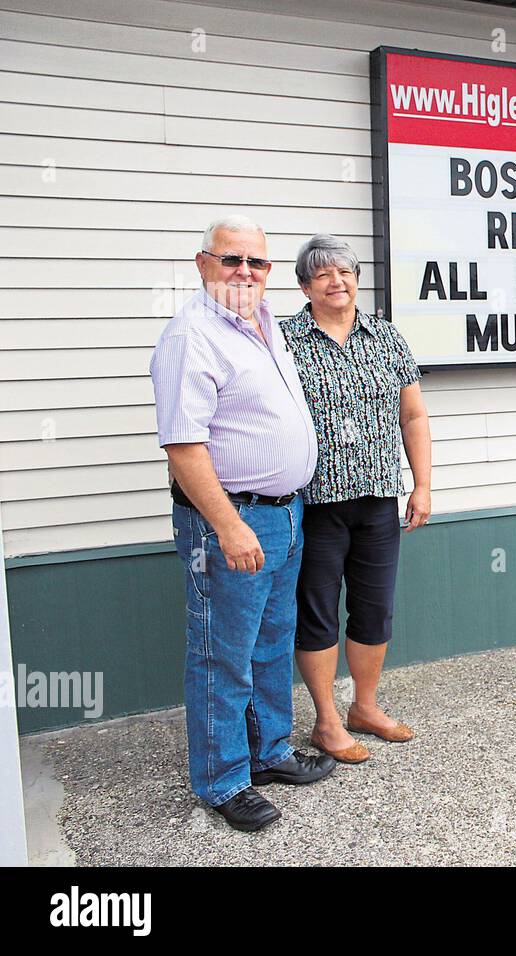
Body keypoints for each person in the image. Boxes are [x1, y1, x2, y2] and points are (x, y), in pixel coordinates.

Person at [150, 215, 336, 833]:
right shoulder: (192, 336)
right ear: (204, 264)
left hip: (284, 514)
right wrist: (229, 526)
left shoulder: (264, 326)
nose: (245, 272)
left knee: (271, 642)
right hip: (229, 522)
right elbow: (184, 447)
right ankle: (224, 779)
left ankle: (270, 751)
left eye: (256, 262)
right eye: (232, 260)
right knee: (220, 654)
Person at [279, 234, 431, 764]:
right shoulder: (282, 341)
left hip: (377, 502)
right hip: (315, 504)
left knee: (373, 611)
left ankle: (364, 706)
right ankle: (325, 721)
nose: (335, 281)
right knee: (318, 613)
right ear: (305, 286)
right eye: (322, 274)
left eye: (344, 271)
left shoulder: (387, 339)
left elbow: (412, 416)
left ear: (357, 279)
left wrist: (423, 484)